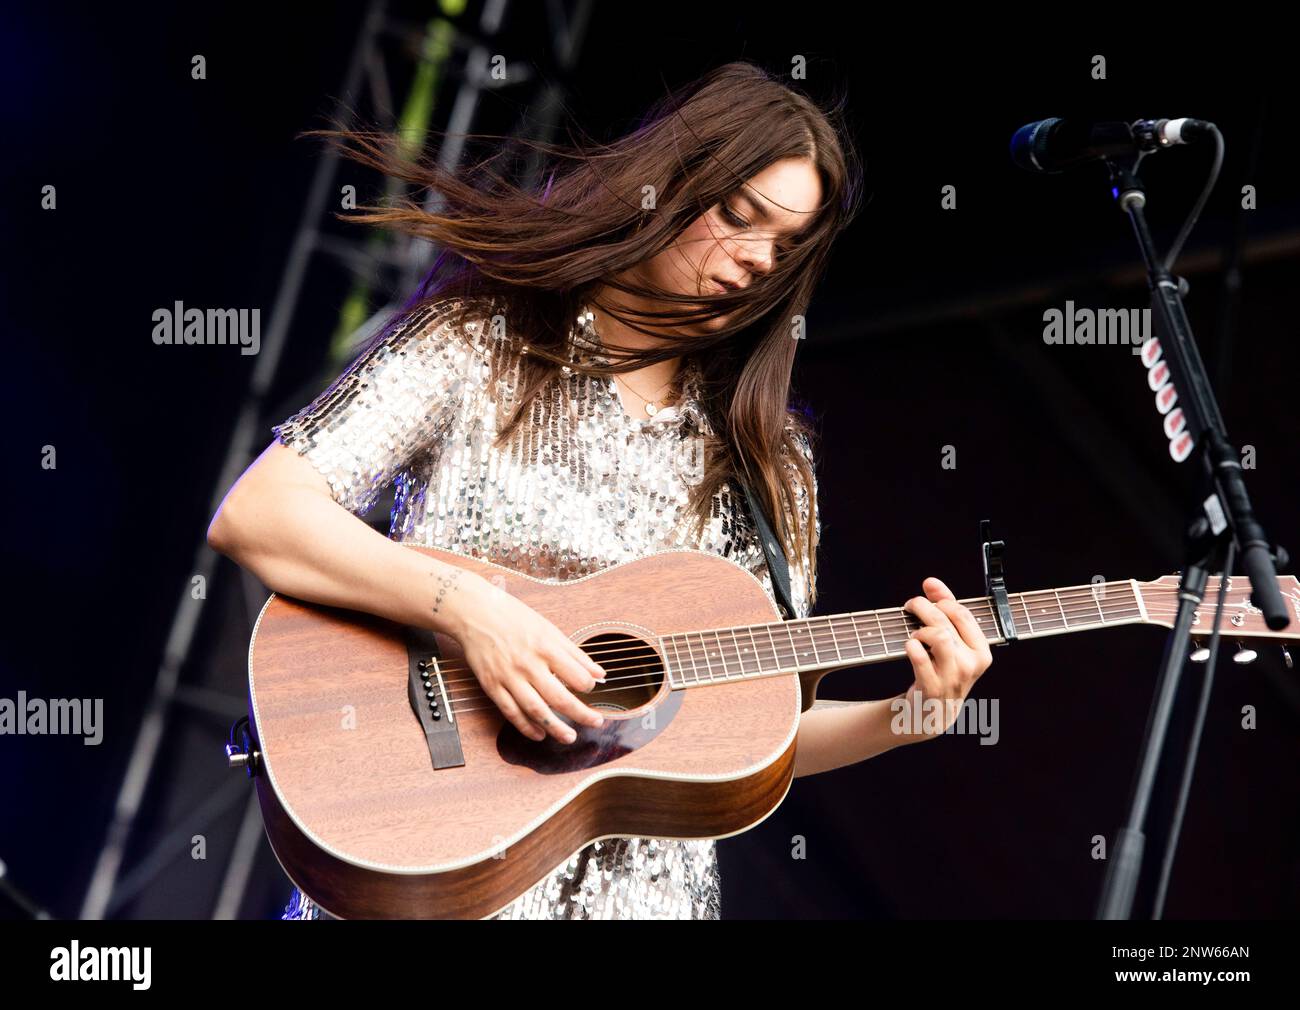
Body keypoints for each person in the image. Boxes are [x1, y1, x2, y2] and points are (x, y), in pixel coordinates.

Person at [207, 61, 993, 920]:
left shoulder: (772, 466)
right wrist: (471, 610)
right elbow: (261, 515)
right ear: (669, 184)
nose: (756, 261)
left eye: (784, 247)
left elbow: (758, 740)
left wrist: (910, 714)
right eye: (740, 216)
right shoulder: (480, 343)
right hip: (431, 878)